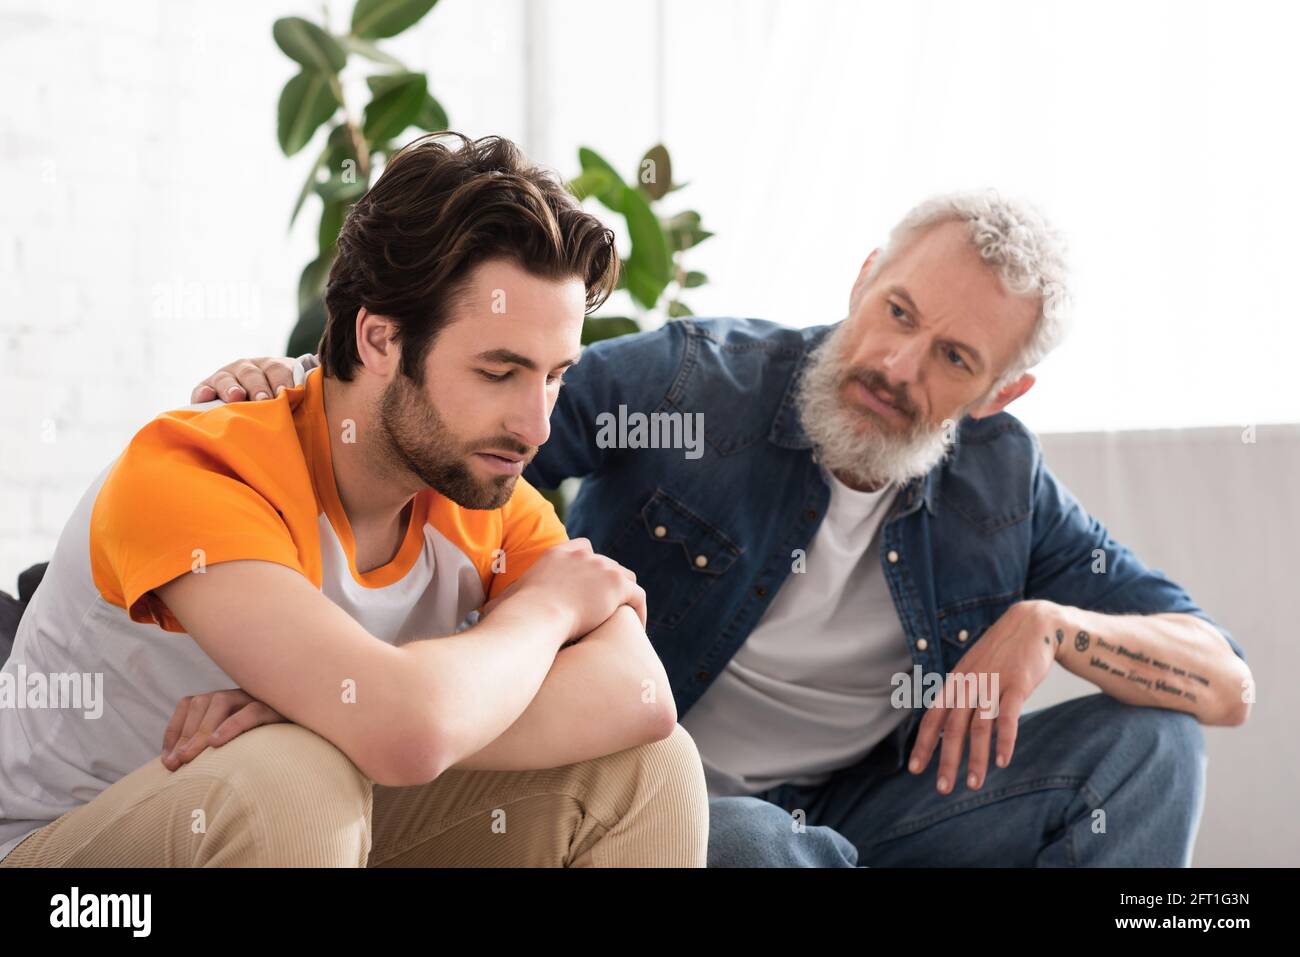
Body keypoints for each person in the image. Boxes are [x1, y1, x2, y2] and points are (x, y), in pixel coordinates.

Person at [192, 188, 1252, 867]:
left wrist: (1055, 626)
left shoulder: (1004, 485)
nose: (898, 365)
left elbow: (1225, 684)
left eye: (954, 359)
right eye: (898, 313)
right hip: (664, 793)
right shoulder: (698, 384)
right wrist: (291, 389)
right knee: (749, 846)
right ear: (862, 279)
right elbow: (460, 436)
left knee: (1148, 743)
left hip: (876, 815)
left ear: (999, 393)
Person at [0, 133, 710, 868]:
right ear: (379, 339)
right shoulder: (196, 468)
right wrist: (546, 609)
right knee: (292, 777)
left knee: (646, 771)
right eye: (499, 372)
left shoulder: (483, 492)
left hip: (310, 823)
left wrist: (351, 711)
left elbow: (638, 696)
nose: (536, 425)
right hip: (65, 866)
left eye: (555, 374)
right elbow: (405, 730)